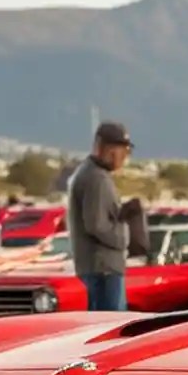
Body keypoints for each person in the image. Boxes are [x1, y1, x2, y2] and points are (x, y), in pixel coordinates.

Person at [68, 122, 133, 311]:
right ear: (106, 149)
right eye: (122, 150)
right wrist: (124, 238)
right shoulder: (97, 178)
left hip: (99, 268)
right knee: (110, 328)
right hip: (103, 269)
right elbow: (96, 225)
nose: (123, 156)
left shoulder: (91, 174)